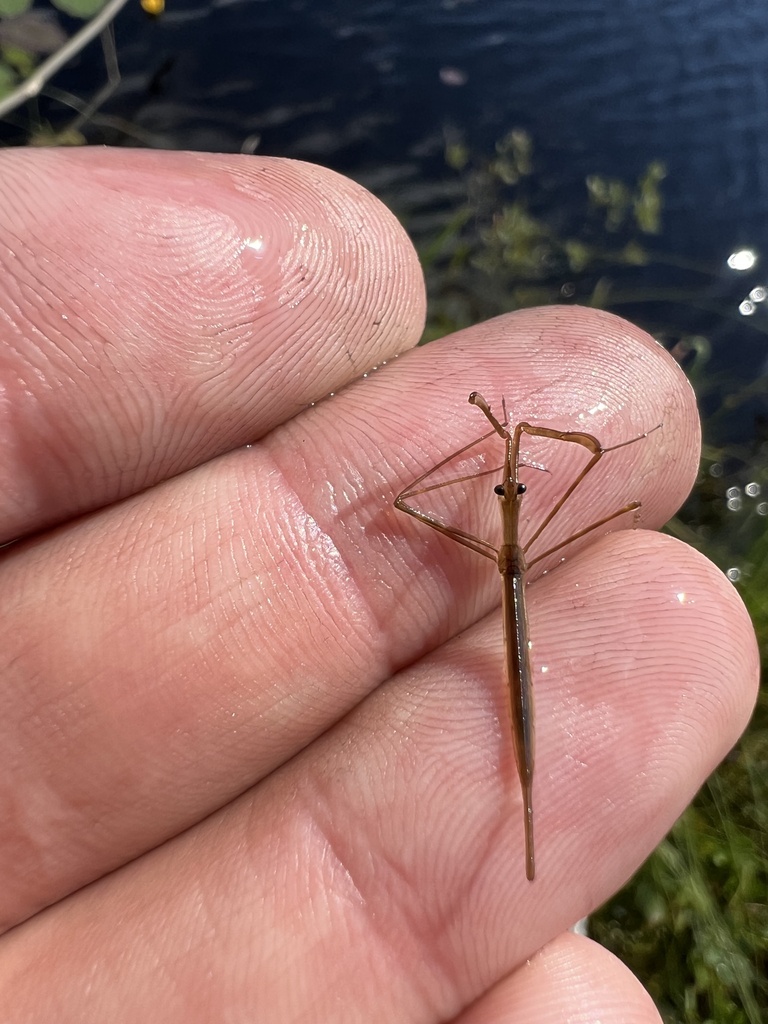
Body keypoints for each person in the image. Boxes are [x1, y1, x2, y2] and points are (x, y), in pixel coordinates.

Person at [0, 147, 758, 1022]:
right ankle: (525, 833)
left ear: (511, 500)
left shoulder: (518, 519)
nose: (509, 484)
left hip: (510, 599)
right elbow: (421, 498)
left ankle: (526, 829)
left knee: (610, 502)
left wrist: (490, 450)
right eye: (508, 486)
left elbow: (421, 498)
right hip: (506, 591)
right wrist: (496, 453)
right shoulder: (516, 520)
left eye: (509, 488)